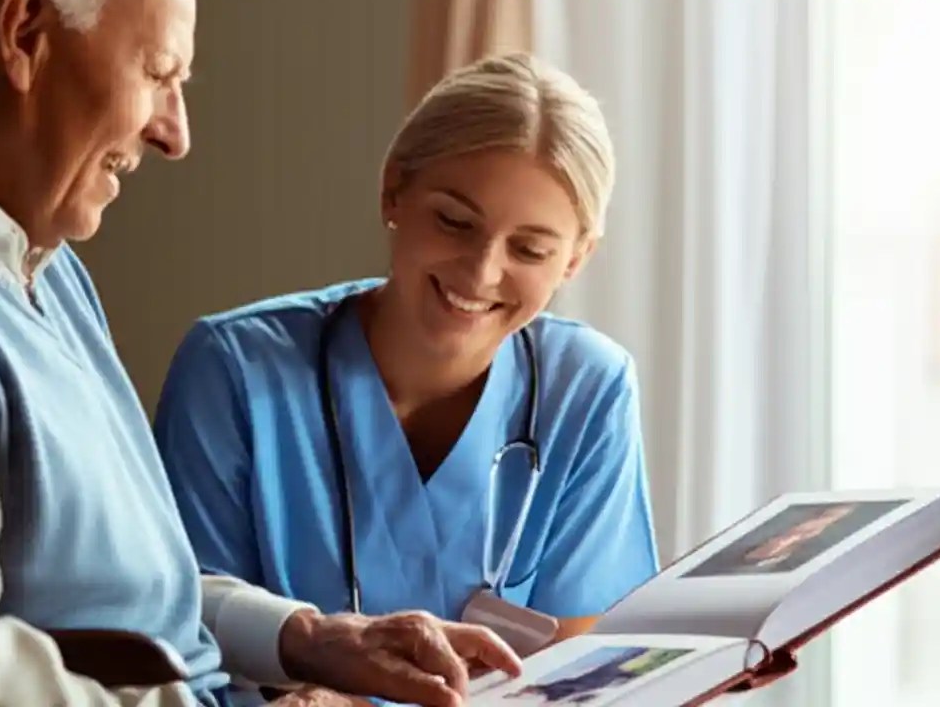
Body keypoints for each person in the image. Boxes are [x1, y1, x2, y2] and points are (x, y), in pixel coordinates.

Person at [0, 0, 519, 705]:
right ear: (25, 31)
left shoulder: (32, 258)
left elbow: (109, 586)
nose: (175, 134)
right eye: (159, 74)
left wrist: (307, 638)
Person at [153, 53, 661, 668]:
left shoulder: (586, 391)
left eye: (529, 249)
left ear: (576, 258)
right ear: (394, 189)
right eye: (454, 222)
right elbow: (179, 629)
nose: (481, 272)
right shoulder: (235, 370)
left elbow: (585, 665)